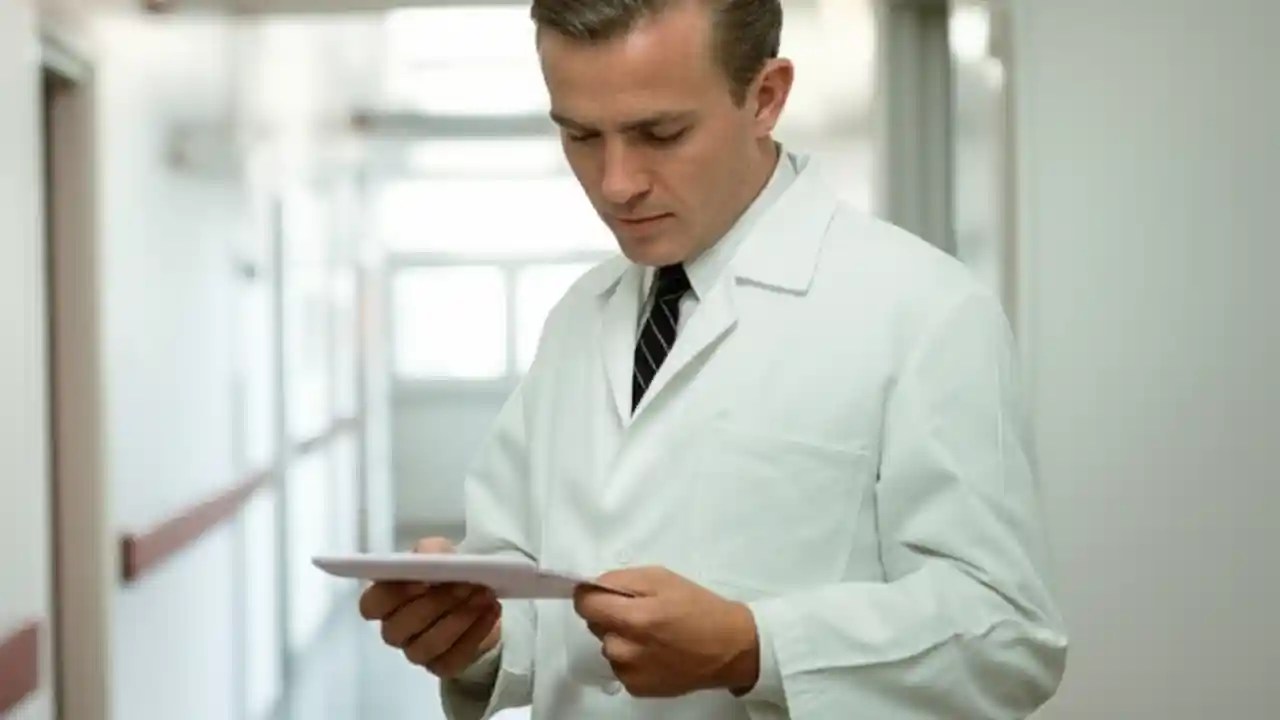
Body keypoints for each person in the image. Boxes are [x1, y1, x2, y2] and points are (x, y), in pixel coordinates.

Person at [358, 0, 1068, 717]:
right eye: (579, 135)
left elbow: (1007, 634)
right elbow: (540, 600)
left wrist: (753, 647)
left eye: (660, 134)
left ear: (765, 97)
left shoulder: (924, 309)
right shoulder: (581, 316)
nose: (616, 184)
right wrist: (479, 638)